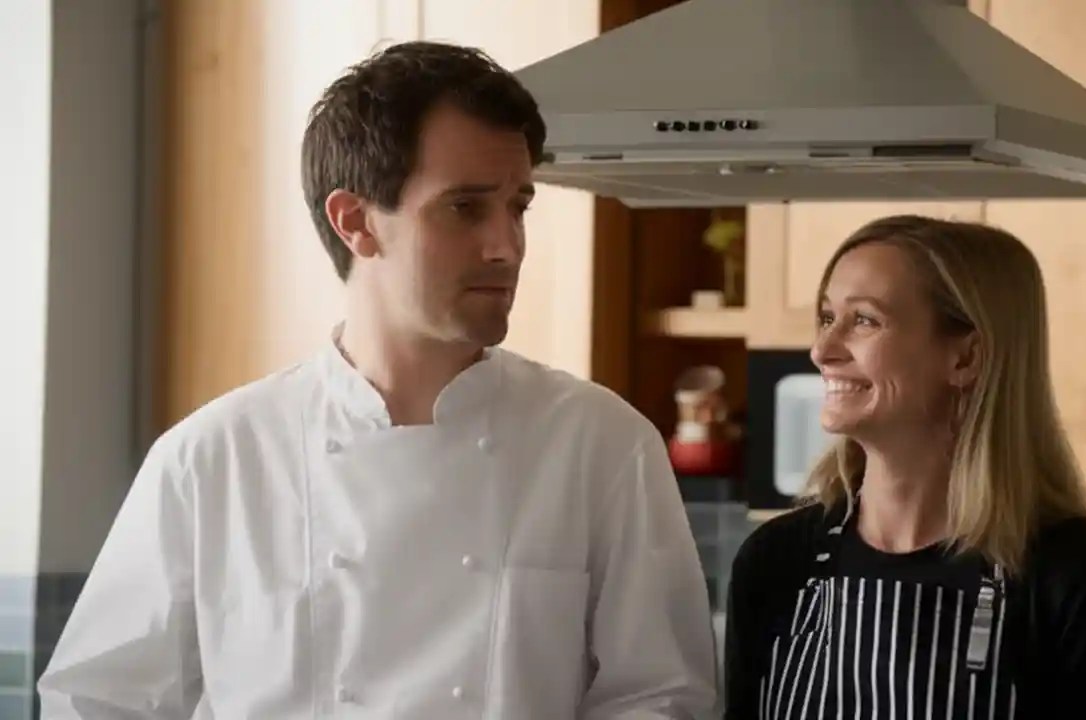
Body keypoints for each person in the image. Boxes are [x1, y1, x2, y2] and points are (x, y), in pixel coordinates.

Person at [39, 41, 717, 718]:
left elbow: (660, 699)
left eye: (518, 206)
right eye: (465, 208)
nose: (506, 245)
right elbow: (95, 703)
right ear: (356, 221)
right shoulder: (214, 460)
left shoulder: (600, 444)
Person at [722, 215, 1086, 719]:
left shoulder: (1068, 577)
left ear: (965, 358)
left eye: (864, 320)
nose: (822, 350)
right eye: (827, 317)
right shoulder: (776, 561)